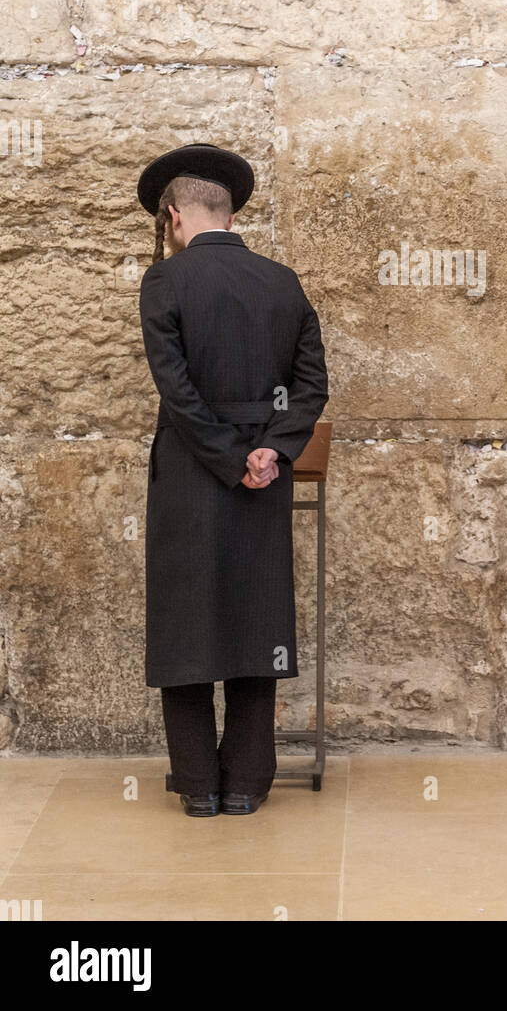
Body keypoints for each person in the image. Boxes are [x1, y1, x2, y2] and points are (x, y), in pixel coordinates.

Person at [136, 143, 328, 817]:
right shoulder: (282, 280)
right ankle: (246, 782)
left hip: (194, 467)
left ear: (173, 216)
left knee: (186, 619)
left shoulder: (165, 282)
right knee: (257, 615)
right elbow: (311, 385)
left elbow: (177, 391)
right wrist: (269, 452)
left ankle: (197, 785)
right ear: (227, 211)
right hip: (261, 471)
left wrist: (224, 455)